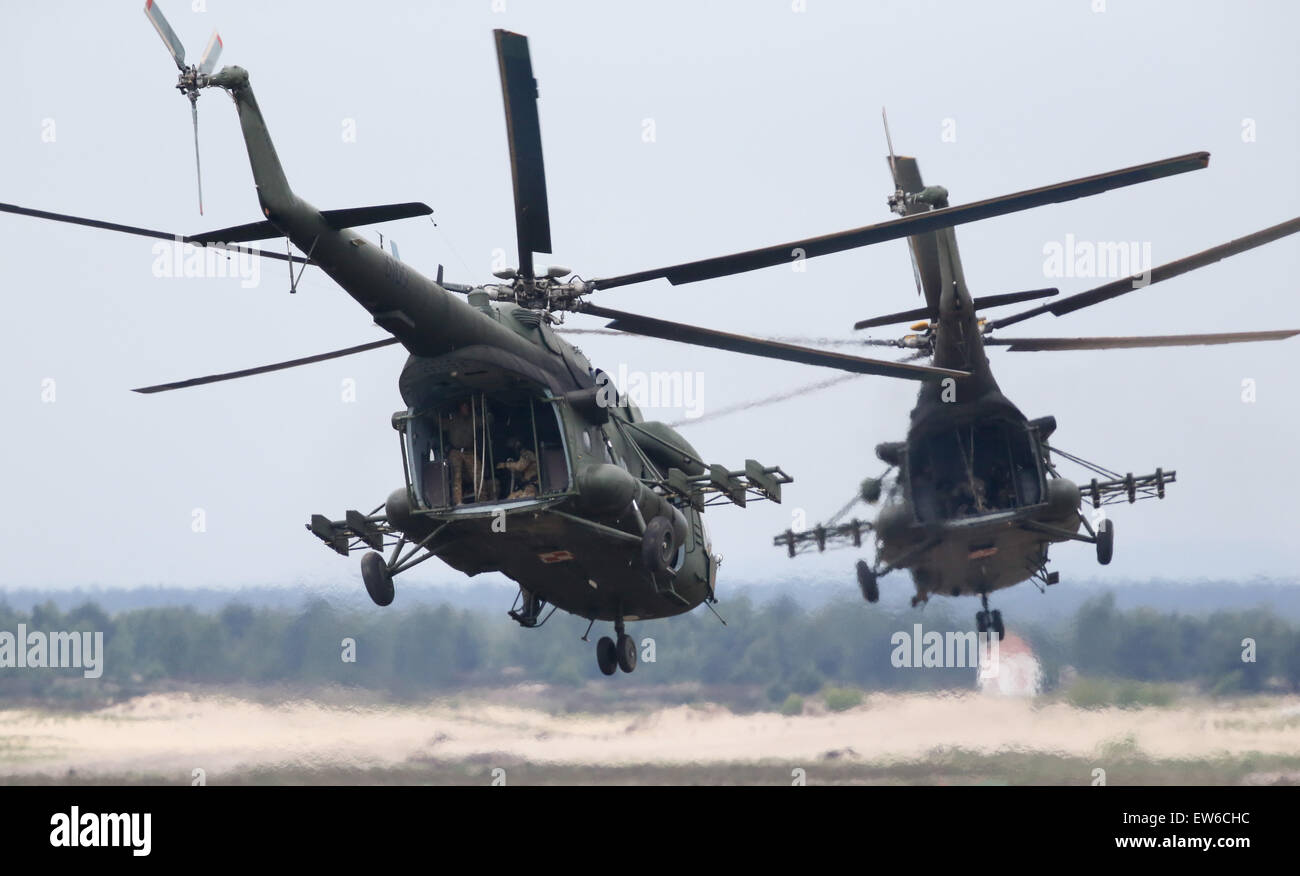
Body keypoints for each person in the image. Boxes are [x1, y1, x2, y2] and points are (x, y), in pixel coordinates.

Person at [440, 400, 492, 505]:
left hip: (469, 451)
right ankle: (458, 502)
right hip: (455, 452)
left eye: (467, 407)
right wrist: (432, 414)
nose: (466, 409)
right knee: (456, 476)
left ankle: (482, 500)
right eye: (464, 406)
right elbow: (441, 424)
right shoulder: (453, 419)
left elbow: (485, 422)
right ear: (460, 408)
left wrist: (486, 410)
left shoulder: (473, 419)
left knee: (478, 474)